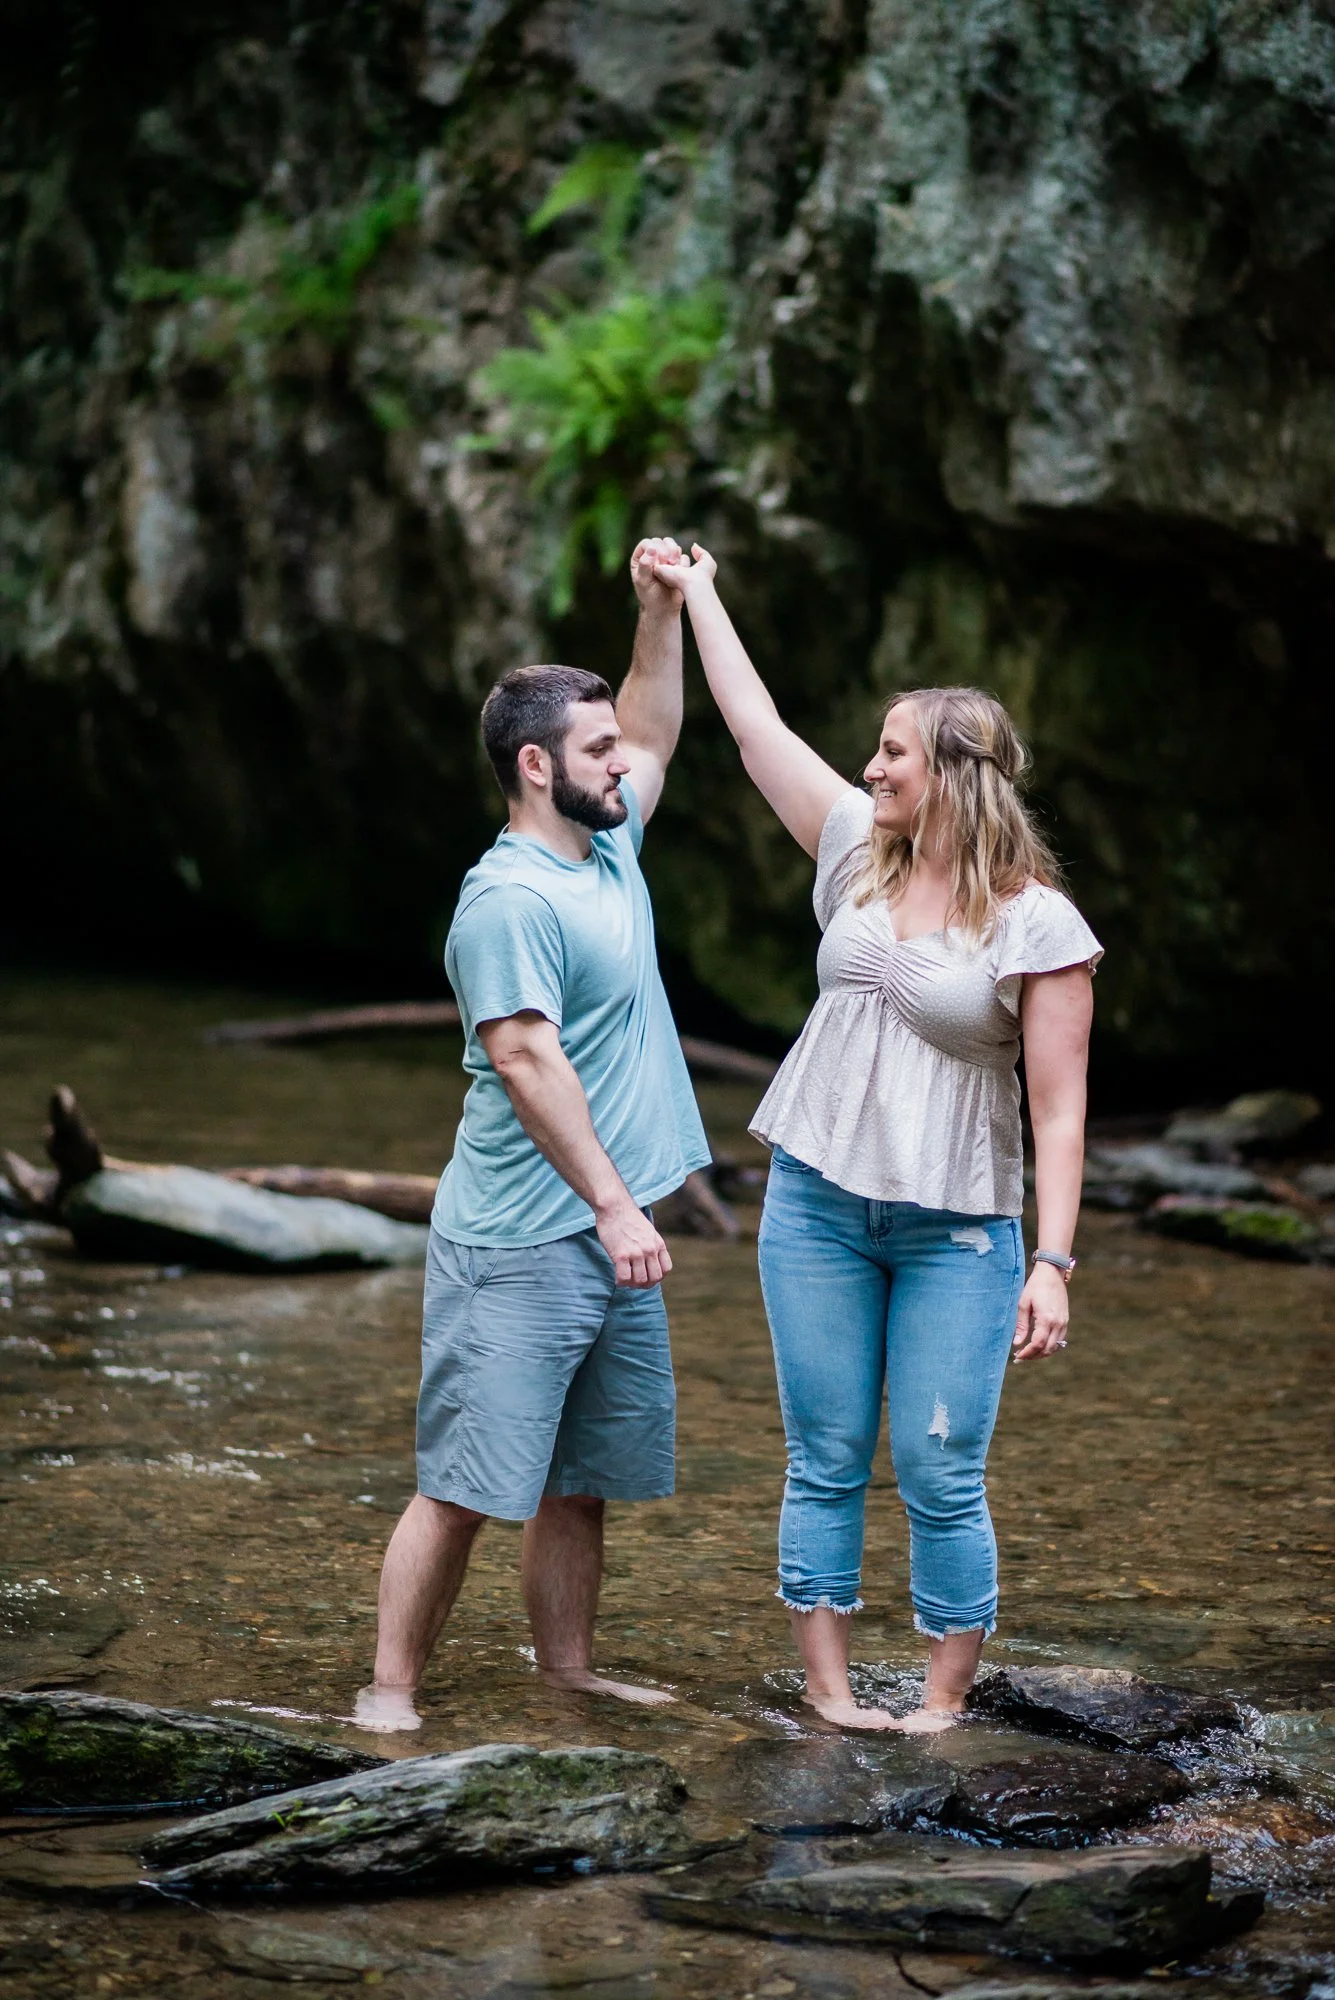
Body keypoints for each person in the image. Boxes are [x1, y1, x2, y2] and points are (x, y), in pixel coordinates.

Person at [652, 543, 1101, 1734]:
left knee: (943, 1465)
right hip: (814, 1201)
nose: (871, 766)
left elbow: (1059, 1110)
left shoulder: (1037, 922)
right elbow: (755, 731)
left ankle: (943, 1703)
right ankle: (832, 1692)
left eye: (894, 750)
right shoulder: (855, 847)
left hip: (959, 1227)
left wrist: (1052, 1261)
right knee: (827, 1451)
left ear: (954, 772)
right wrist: (699, 594)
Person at [355, 538, 711, 1733]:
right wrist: (614, 1205)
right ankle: (388, 1689)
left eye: (614, 744)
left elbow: (653, 725)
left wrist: (658, 611)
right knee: (462, 1487)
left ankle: (566, 1674)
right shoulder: (508, 899)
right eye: (598, 749)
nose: (625, 761)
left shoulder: (608, 840)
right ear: (535, 765)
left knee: (581, 1482)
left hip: (607, 1230)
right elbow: (524, 1059)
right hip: (520, 1239)